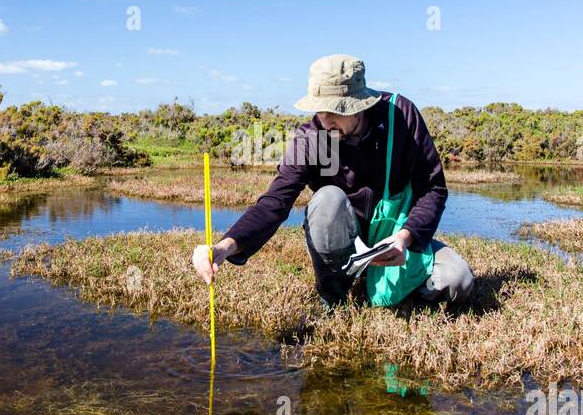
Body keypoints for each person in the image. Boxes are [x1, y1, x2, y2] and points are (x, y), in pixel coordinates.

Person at [190, 54, 474, 307]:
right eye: (319, 111)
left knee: (458, 280)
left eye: (334, 111)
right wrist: (223, 248)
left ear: (359, 105)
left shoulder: (401, 117)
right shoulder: (310, 139)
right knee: (327, 200)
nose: (325, 121)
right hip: (343, 238)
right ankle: (333, 293)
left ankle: (391, 285)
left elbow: (432, 189)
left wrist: (405, 237)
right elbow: (274, 203)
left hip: (393, 237)